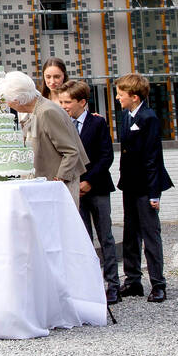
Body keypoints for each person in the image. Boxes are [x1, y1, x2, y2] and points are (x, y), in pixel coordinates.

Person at [55, 80, 119, 303]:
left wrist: (89, 181)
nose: (63, 106)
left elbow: (106, 156)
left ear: (82, 102)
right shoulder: (63, 124)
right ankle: (89, 285)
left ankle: (113, 284)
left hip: (97, 187)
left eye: (68, 102)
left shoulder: (97, 123)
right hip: (74, 189)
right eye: (61, 102)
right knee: (83, 238)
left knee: (106, 237)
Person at [115, 73, 174, 303]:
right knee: (130, 234)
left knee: (151, 235)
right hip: (129, 184)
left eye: (121, 95)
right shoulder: (126, 116)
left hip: (145, 186)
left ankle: (158, 283)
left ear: (135, 97)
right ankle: (133, 281)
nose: (118, 98)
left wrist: (154, 194)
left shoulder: (149, 117)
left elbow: (152, 157)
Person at [0, 70, 88, 207]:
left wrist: (59, 179)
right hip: (46, 185)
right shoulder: (37, 110)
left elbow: (70, 151)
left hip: (56, 188)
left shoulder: (46, 111)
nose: (8, 105)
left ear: (18, 100)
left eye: (7, 100)